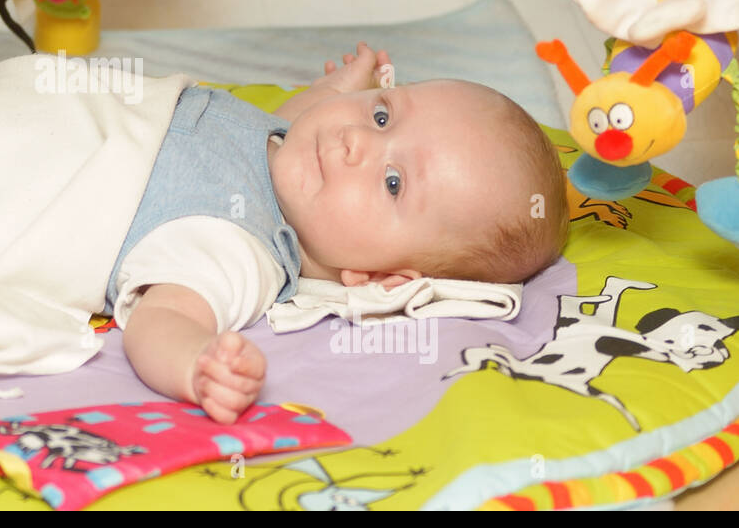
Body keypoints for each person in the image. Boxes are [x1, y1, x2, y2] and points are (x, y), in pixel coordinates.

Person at [113, 43, 570, 423]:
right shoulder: (283, 143)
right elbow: (267, 126)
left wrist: (197, 363)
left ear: (377, 276)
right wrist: (331, 91)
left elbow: (163, 319)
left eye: (393, 183)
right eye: (382, 116)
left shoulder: (239, 249)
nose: (356, 139)